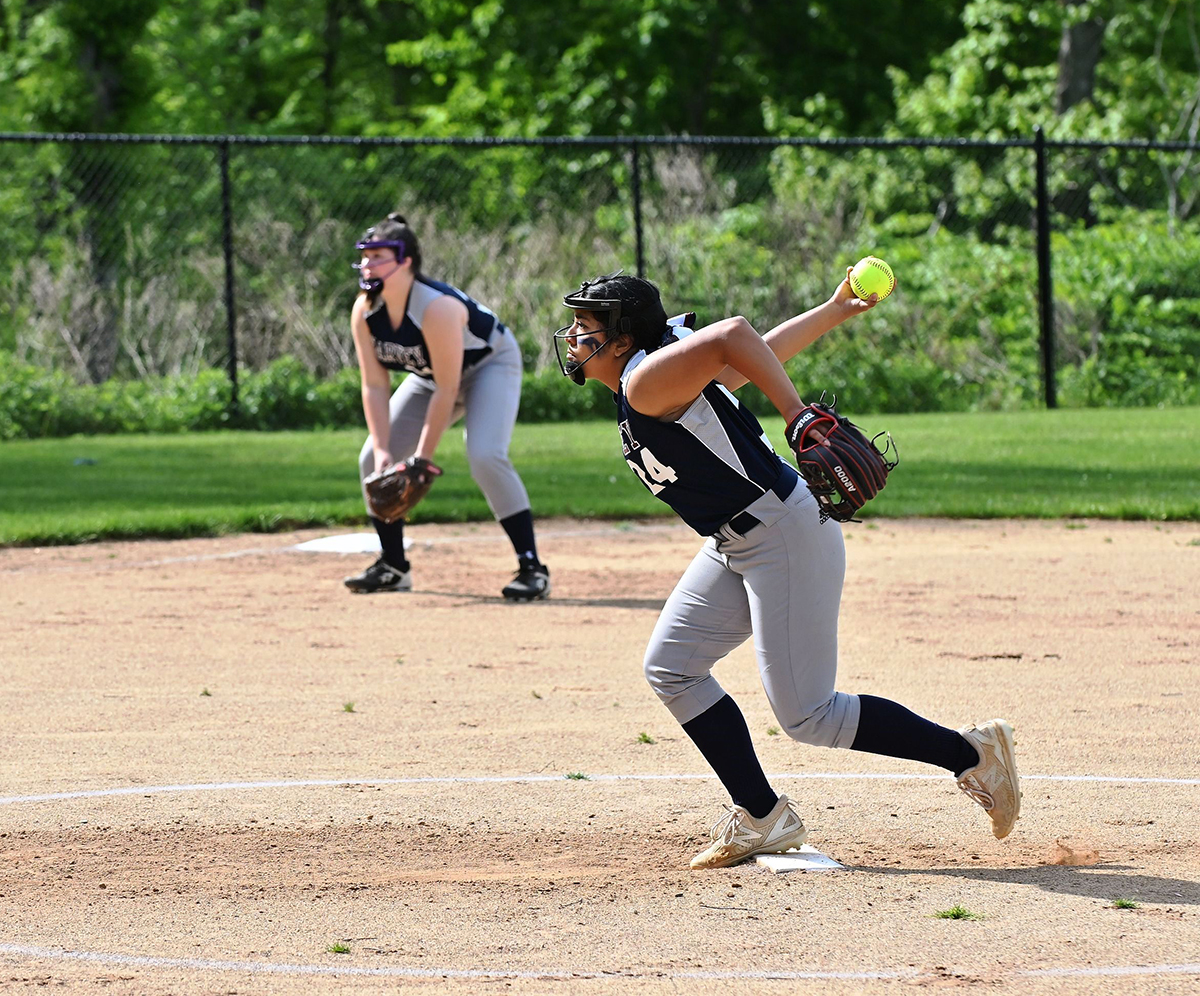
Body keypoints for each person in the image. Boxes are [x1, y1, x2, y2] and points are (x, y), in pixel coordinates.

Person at [554, 269, 1020, 869]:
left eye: (585, 326)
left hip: (782, 535)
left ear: (619, 340)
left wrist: (797, 415)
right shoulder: (656, 372)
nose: (572, 336)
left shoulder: (645, 379)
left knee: (809, 715)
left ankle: (972, 753)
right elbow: (751, 356)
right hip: (736, 541)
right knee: (673, 667)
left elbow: (735, 336)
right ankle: (762, 815)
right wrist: (835, 309)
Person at [345, 212, 549, 601]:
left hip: (489, 365)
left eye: (378, 256)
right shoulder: (365, 311)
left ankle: (532, 569)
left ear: (405, 261)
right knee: (371, 457)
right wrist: (386, 447)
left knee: (486, 455)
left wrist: (422, 457)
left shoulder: (435, 308)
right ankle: (393, 566)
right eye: (365, 256)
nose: (368, 264)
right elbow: (374, 384)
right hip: (430, 378)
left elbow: (449, 387)